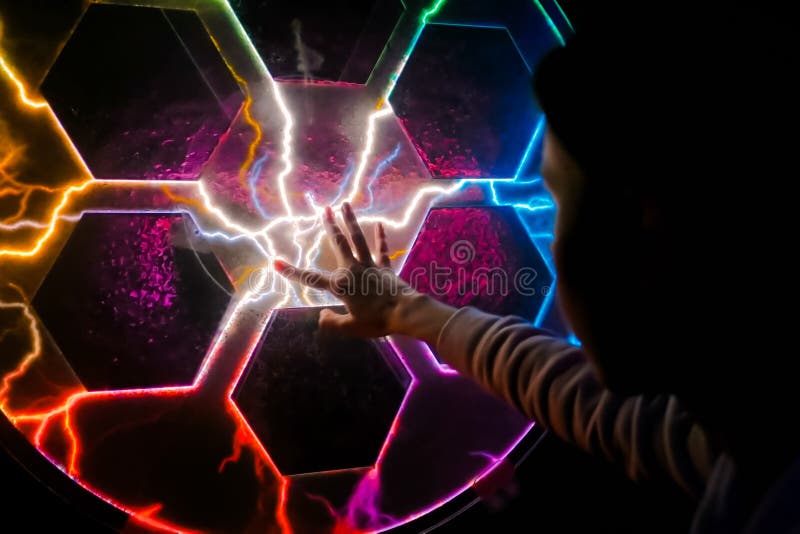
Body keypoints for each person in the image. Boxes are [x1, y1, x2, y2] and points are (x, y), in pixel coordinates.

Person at [276, 4, 798, 533]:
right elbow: (602, 410)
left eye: (561, 201)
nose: (551, 242)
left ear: (640, 233)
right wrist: (406, 311)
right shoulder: (748, 442)